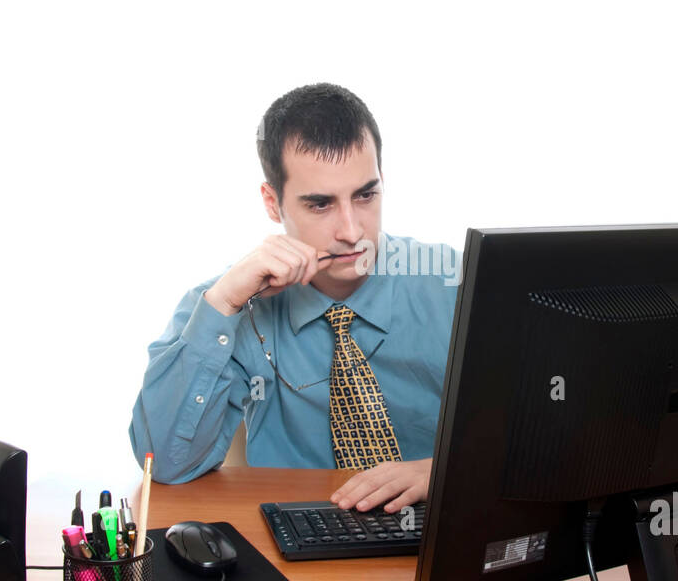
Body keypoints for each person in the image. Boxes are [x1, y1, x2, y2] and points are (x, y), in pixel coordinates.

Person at [128, 83, 459, 514]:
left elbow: (547, 429)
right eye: (320, 204)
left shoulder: (455, 283)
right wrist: (224, 303)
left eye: (365, 195)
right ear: (272, 202)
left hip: (441, 533)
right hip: (303, 545)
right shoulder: (228, 304)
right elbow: (165, 465)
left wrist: (442, 473)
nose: (352, 231)